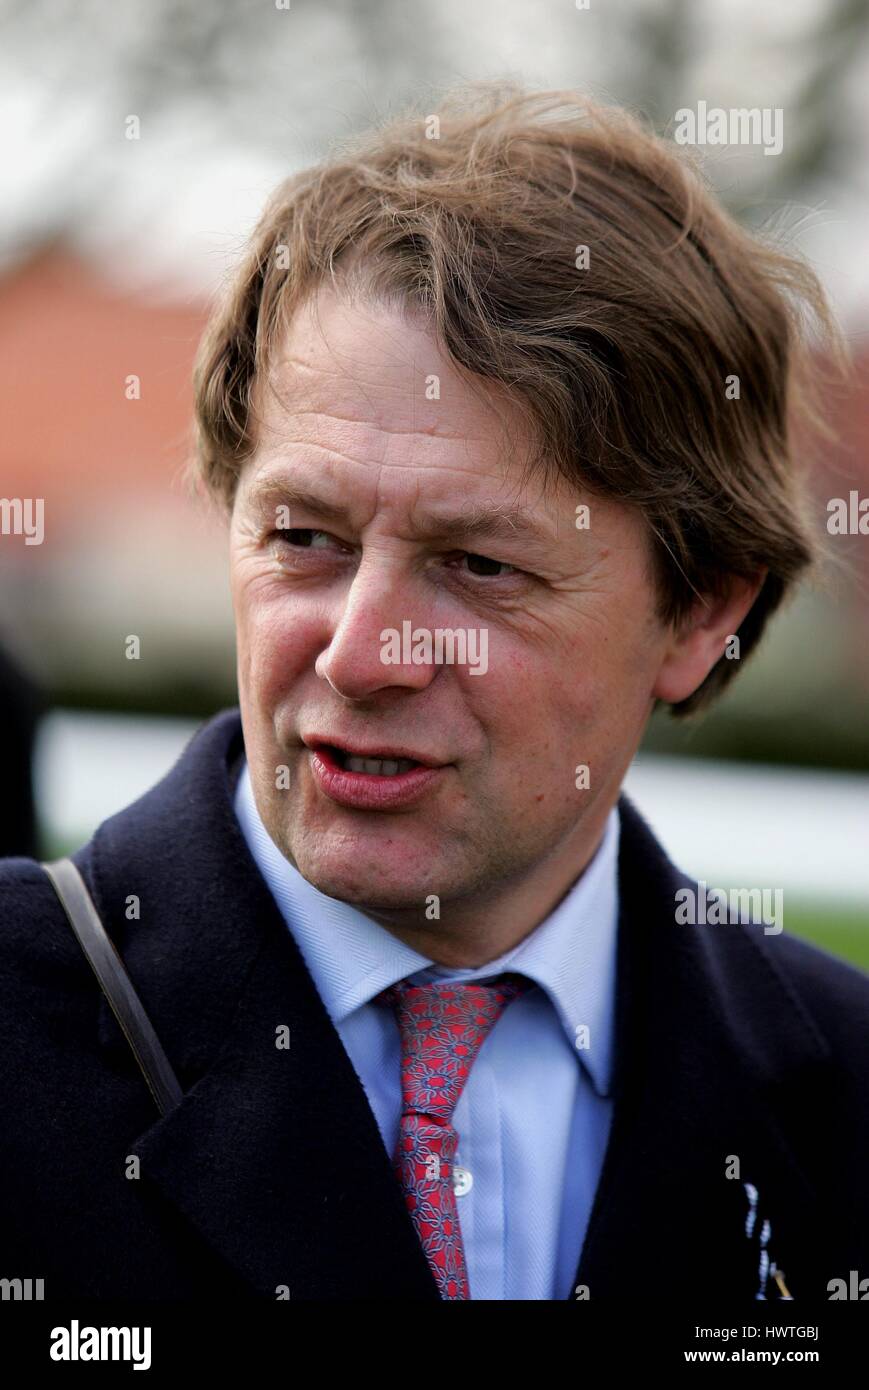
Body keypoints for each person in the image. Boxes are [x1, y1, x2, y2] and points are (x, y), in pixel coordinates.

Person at [2, 84, 867, 1303]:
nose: (360, 654)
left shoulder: (842, 1091)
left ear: (700, 611)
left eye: (478, 566)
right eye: (305, 537)